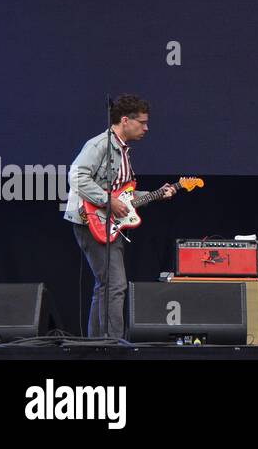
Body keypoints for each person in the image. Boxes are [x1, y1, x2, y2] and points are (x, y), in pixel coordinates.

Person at [63, 94, 176, 338]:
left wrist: (157, 194)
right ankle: (113, 344)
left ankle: (98, 344)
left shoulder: (123, 151)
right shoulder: (100, 144)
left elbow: (123, 196)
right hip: (90, 221)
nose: (146, 128)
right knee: (115, 285)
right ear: (125, 120)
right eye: (142, 122)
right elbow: (77, 177)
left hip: (107, 222)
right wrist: (108, 201)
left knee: (106, 287)